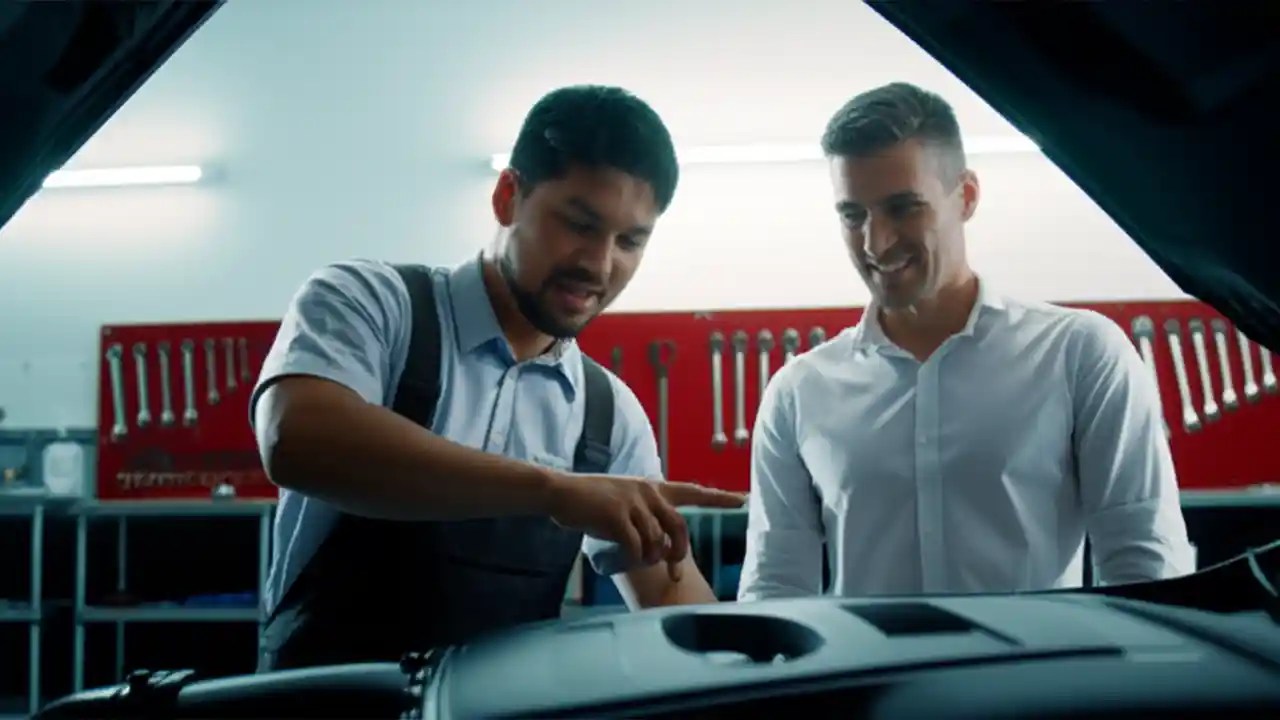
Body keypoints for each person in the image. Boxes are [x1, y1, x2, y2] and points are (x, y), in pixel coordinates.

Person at [252, 84, 744, 671]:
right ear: (508, 197)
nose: (600, 263)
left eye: (630, 240)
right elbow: (296, 440)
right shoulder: (373, 304)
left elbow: (670, 598)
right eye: (579, 224)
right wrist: (553, 491)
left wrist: (760, 668)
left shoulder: (608, 417)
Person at [737, 82, 1194, 601]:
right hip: (871, 682)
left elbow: (1145, 567)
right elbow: (775, 591)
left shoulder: (1080, 354)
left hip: (1036, 681)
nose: (875, 241)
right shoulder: (798, 393)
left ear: (967, 197)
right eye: (853, 214)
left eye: (903, 208)